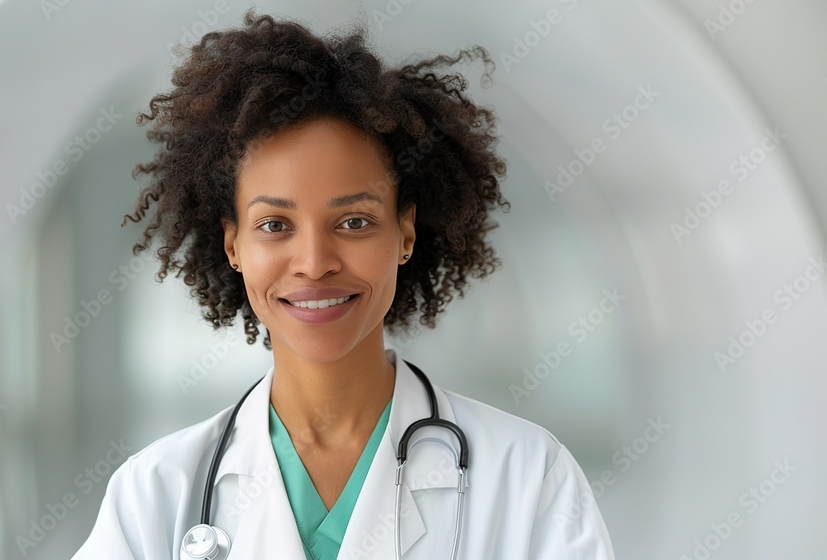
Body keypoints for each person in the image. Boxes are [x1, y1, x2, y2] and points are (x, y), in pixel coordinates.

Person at [71, 8, 614, 560]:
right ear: (233, 246)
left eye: (354, 222)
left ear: (404, 233)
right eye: (274, 225)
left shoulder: (527, 477)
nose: (313, 262)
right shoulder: (156, 494)